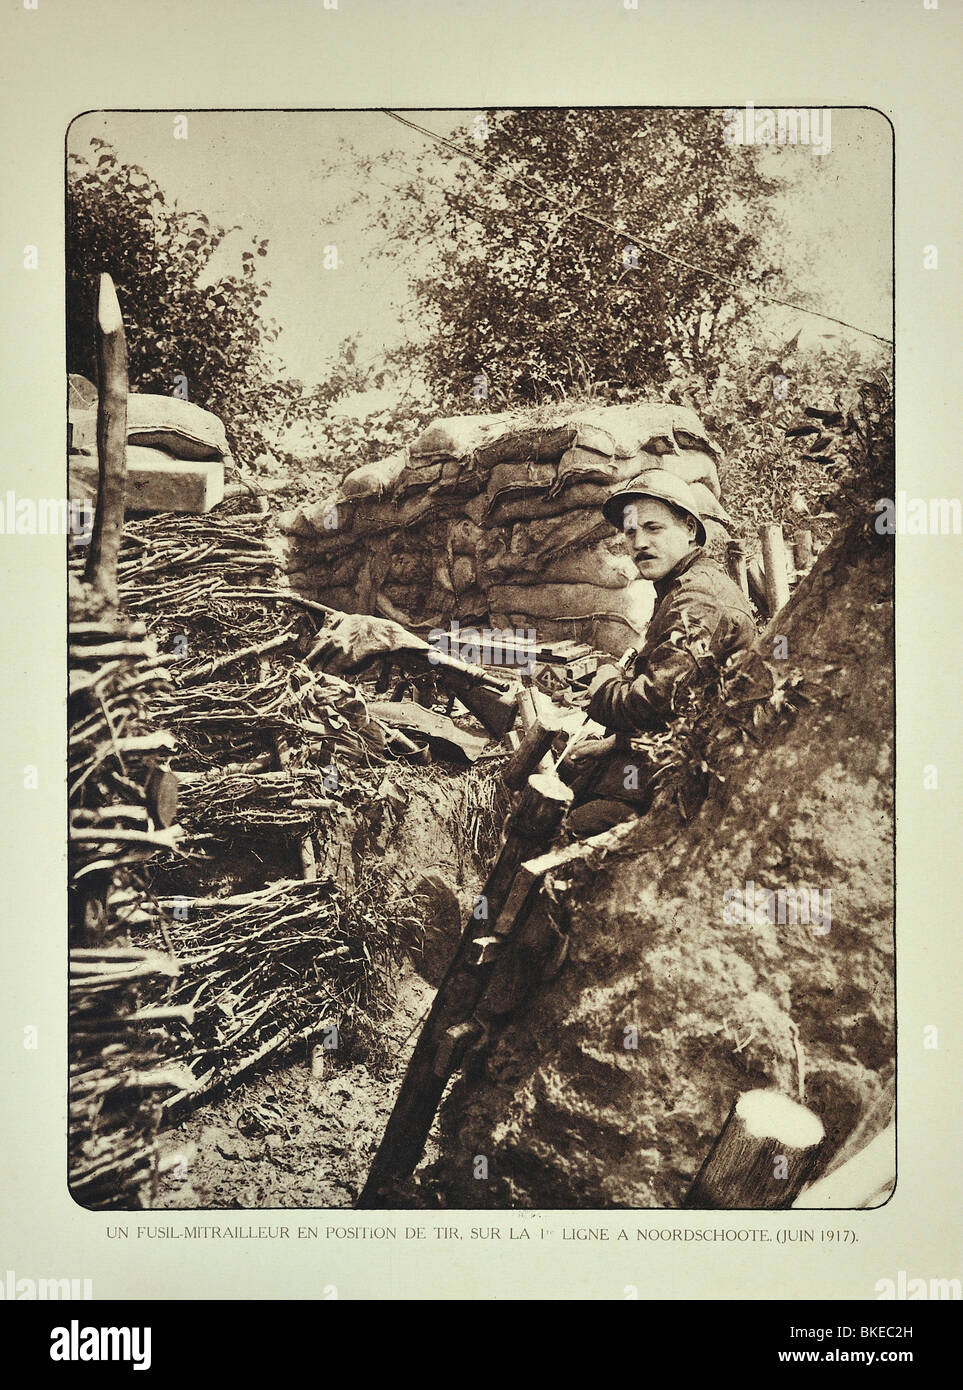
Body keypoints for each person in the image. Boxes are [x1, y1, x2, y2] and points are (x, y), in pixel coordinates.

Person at [564, 470, 756, 834]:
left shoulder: (699, 598)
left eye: (654, 528)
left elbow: (654, 703)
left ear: (688, 528)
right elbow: (684, 709)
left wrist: (603, 688)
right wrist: (612, 744)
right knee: (567, 782)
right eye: (631, 531)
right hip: (672, 761)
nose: (639, 543)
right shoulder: (679, 587)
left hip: (691, 790)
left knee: (569, 829)